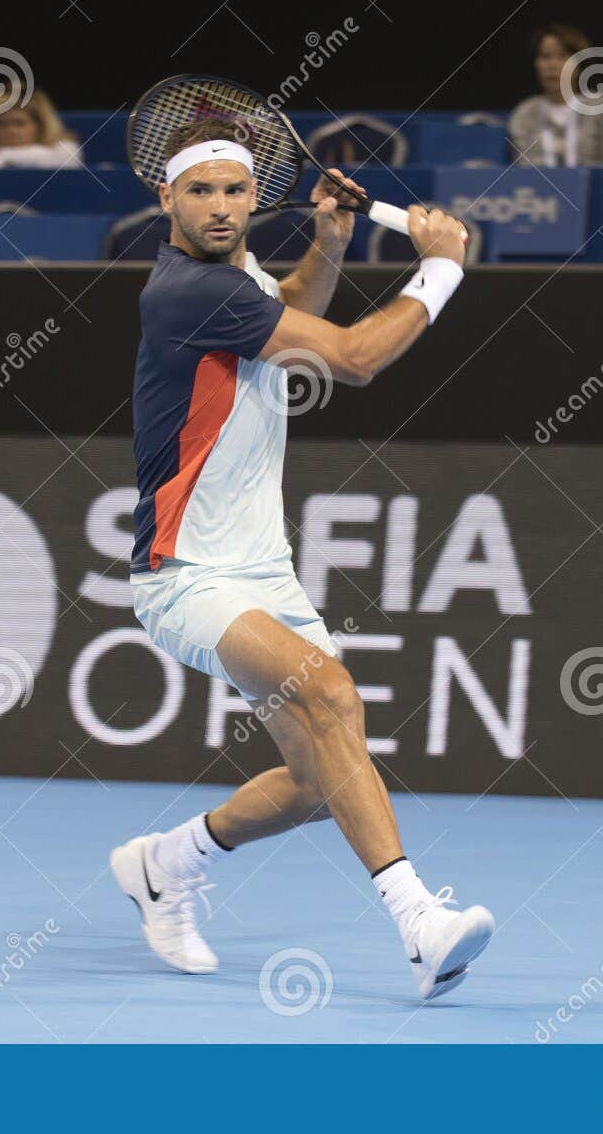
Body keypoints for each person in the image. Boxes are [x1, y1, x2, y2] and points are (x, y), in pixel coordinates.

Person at [113, 119, 494, 1000]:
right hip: (185, 575)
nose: (218, 206)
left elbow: (291, 309)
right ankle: (419, 926)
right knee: (331, 693)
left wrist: (327, 243)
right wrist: (441, 268)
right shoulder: (182, 291)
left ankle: (168, 861)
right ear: (164, 197)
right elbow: (353, 359)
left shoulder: (234, 280)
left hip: (261, 571)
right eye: (198, 191)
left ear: (254, 197)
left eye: (233, 191)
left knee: (321, 781)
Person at [508, 23, 603, 167]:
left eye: (562, 56)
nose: (552, 65)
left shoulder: (600, 108)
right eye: (545, 57)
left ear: (580, 64)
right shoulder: (524, 113)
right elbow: (522, 173)